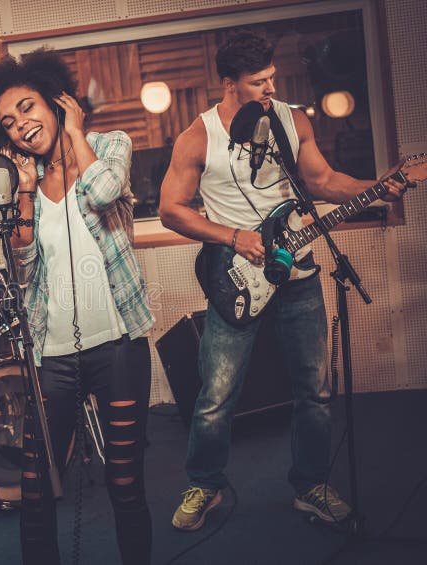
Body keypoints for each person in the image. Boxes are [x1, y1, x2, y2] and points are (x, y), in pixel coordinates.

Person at [159, 31, 407, 531]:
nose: (271, 88)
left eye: (271, 77)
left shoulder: (291, 120)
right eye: (259, 82)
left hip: (298, 274)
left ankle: (311, 486)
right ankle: (204, 483)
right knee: (215, 395)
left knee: (314, 390)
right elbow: (171, 210)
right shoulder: (199, 136)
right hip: (237, 279)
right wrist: (232, 236)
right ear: (229, 84)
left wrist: (378, 187)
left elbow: (323, 181)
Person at [0, 49, 155, 565]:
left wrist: (75, 133)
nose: (21, 124)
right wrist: (24, 193)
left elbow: (105, 193)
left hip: (117, 346)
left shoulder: (109, 145)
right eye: (8, 121)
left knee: (125, 482)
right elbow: (23, 266)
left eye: (27, 107)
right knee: (36, 488)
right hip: (54, 355)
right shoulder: (23, 180)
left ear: (55, 102)